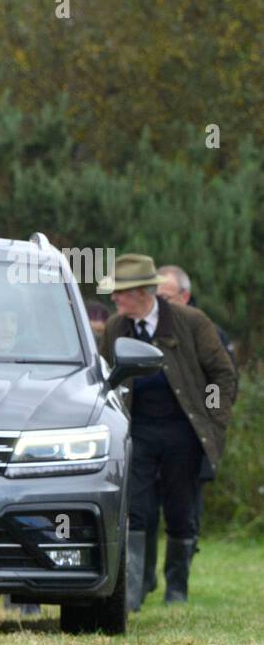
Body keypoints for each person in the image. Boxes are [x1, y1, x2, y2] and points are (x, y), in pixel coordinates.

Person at [99, 254, 235, 609]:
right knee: (136, 510)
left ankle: (177, 589)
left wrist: (213, 413)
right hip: (137, 432)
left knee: (180, 511)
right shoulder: (116, 328)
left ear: (143, 292)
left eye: (121, 292)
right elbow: (104, 377)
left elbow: (220, 374)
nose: (115, 299)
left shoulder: (190, 321)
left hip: (183, 432)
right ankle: (132, 591)